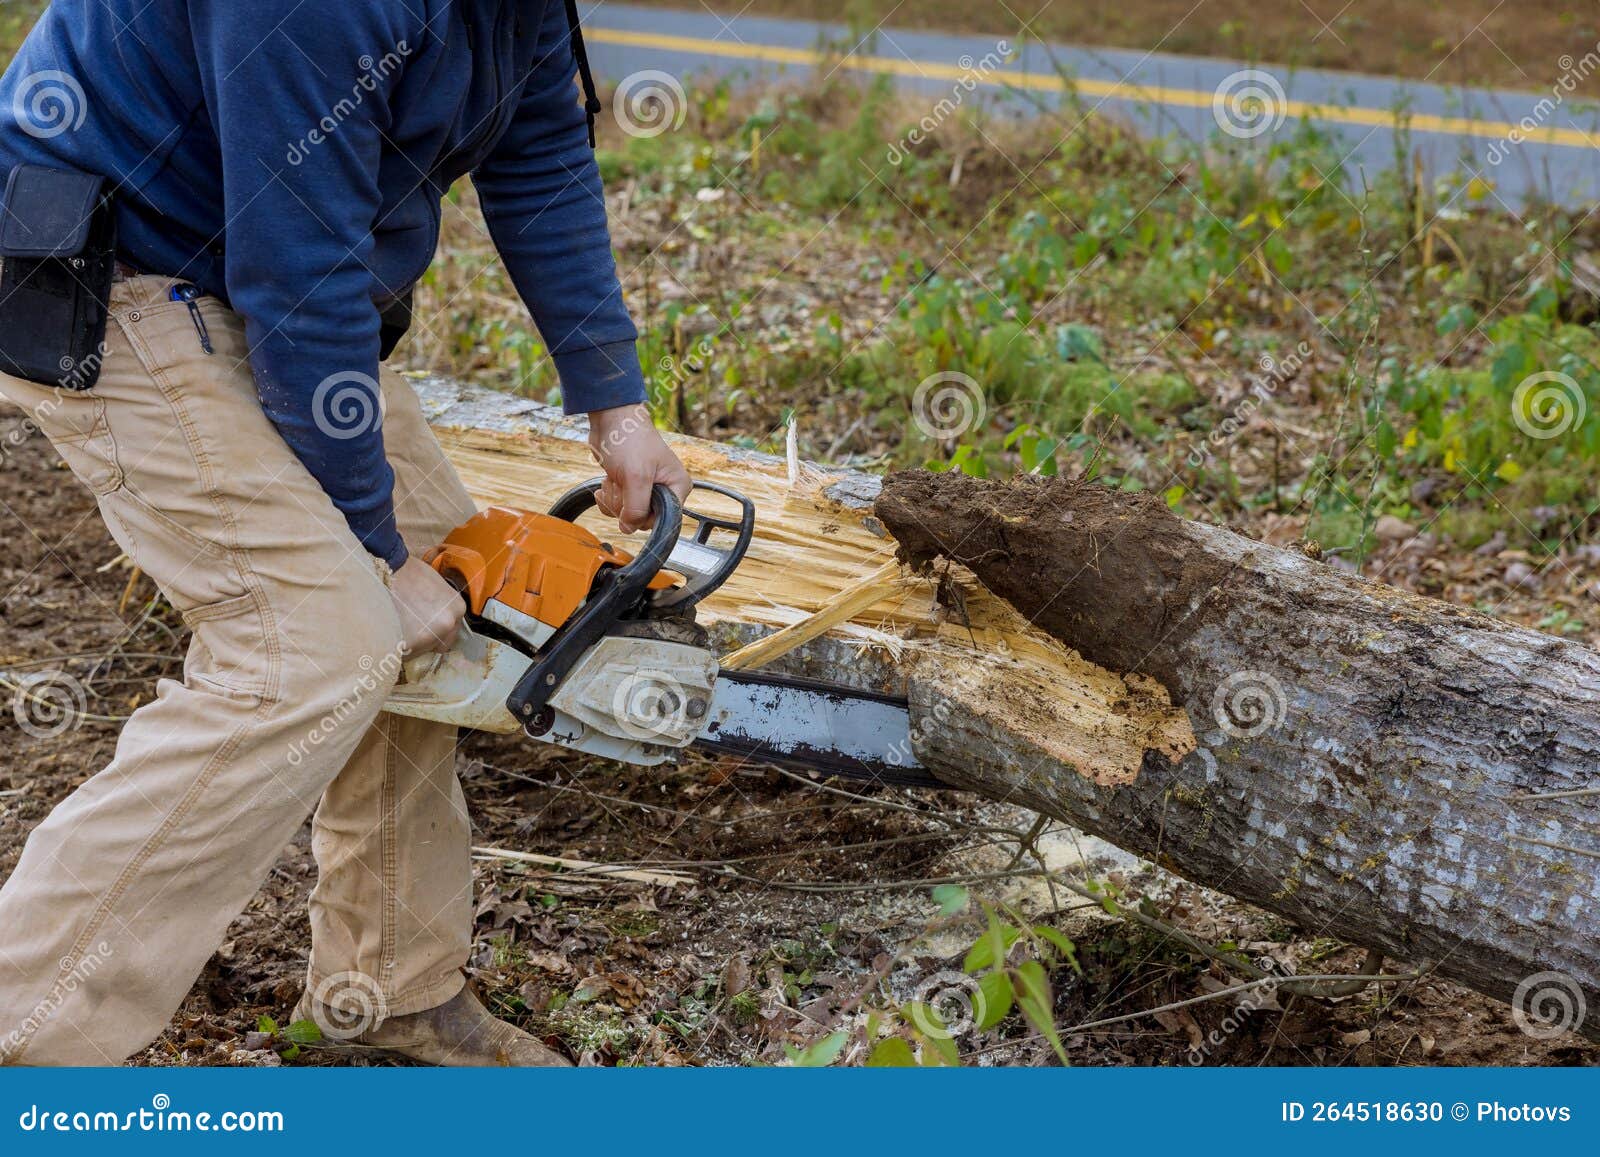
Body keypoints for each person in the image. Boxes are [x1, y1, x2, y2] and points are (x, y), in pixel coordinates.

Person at [0, 0, 690, 1066]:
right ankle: (23, 1036)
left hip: (265, 276)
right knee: (313, 643)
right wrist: (375, 552)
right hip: (117, 269)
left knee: (450, 595)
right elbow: (300, 266)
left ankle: (391, 997)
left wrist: (617, 404)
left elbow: (542, 153)